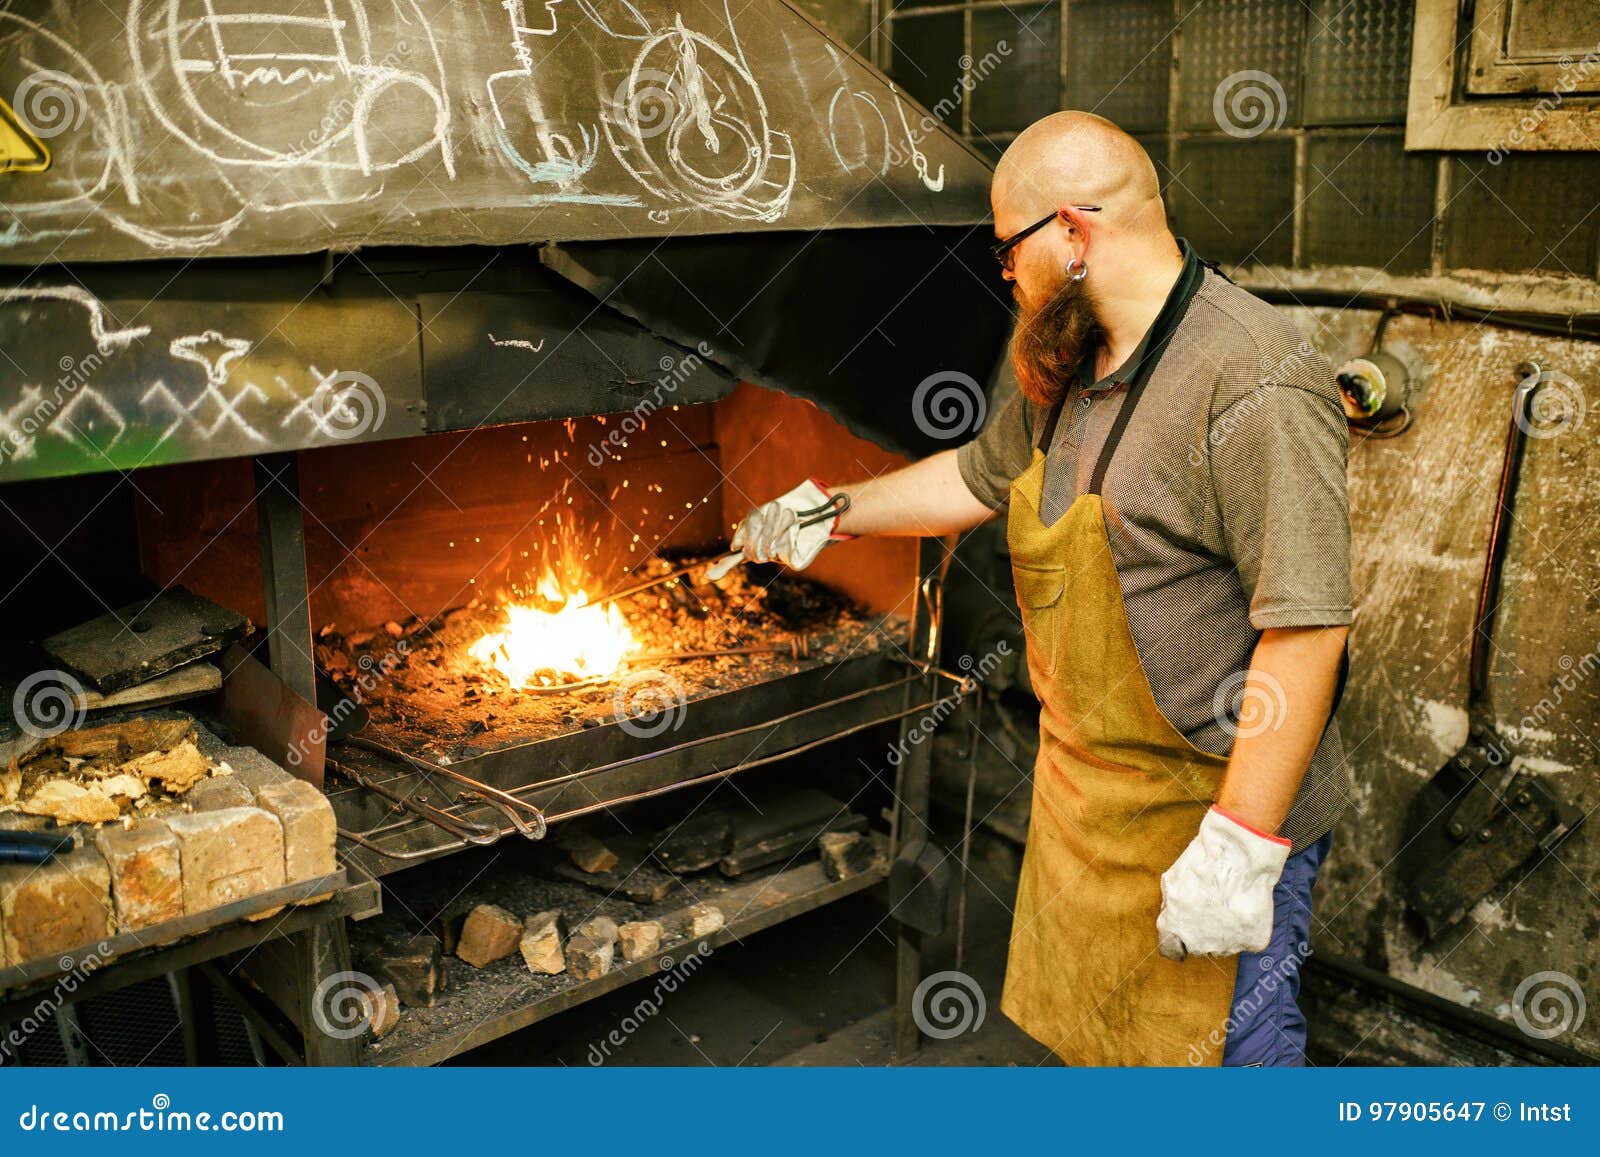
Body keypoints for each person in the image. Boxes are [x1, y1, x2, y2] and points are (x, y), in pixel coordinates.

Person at [720, 111, 1353, 1067]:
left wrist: (1241, 845)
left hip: (1212, 814)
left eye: (1008, 250)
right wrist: (832, 510)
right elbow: (981, 476)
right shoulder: (1070, 353)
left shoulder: (1255, 380)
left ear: (1072, 229)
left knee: (1228, 1069)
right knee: (1105, 1055)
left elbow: (1306, 630)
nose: (1006, 275)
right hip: (1089, 802)